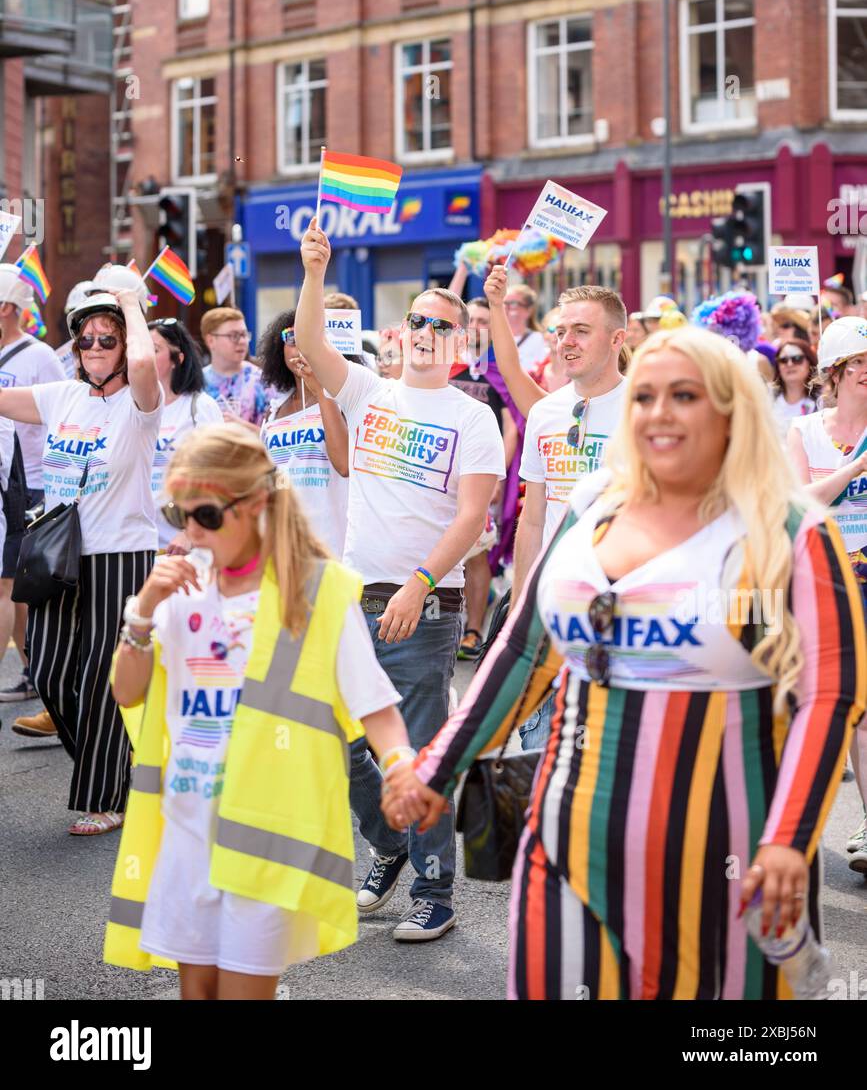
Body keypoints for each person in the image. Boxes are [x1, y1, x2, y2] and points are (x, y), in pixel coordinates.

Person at [383, 326, 866, 1000]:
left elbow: (827, 694)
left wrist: (788, 837)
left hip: (730, 860)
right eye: (642, 396)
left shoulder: (784, 531)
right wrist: (439, 765)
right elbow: (524, 653)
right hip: (568, 843)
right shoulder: (589, 510)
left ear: (730, 412)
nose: (658, 412)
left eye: (684, 395)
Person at [106, 424, 409, 999]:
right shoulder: (179, 593)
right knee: (196, 994)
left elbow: (375, 705)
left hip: (265, 841)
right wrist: (142, 612)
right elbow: (127, 693)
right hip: (186, 833)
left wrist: (400, 768)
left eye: (208, 516)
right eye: (179, 515)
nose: (191, 532)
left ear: (256, 504)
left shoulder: (314, 594)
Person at [295, 217, 505, 941]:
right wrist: (316, 272)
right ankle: (386, 849)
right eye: (414, 320)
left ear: (457, 343)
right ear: (398, 333)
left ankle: (433, 887)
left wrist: (419, 583)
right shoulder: (366, 390)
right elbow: (312, 344)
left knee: (414, 754)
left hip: (424, 608)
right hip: (352, 604)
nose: (422, 331)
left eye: (439, 325)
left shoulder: (473, 417)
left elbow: (472, 518)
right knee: (350, 748)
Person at [5, 289, 162, 834]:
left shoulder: (142, 402)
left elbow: (144, 361)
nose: (95, 346)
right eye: (86, 338)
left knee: (99, 675)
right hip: (56, 555)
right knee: (47, 669)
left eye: (107, 338)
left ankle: (106, 799)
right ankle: (115, 767)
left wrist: (129, 302)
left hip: (122, 552)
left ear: (123, 347)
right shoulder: (62, 396)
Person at [512, 284, 627, 750]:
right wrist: (521, 607)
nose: (566, 342)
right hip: (553, 609)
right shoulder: (544, 413)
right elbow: (533, 518)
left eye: (582, 330)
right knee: (543, 757)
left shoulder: (646, 411)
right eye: (560, 332)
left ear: (617, 339)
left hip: (621, 613)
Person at [787, 315, 867, 871]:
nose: (865, 373)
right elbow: (799, 504)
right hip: (826, 577)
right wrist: (857, 466)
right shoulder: (806, 432)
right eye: (857, 364)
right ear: (834, 373)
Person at [0, 264, 66, 709]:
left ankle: (44, 682)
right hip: (5, 483)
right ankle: (41, 683)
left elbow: (62, 417)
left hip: (30, 486)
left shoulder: (39, 355)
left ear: (6, 307)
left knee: (7, 586)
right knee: (15, 594)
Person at [449, 297, 520, 660]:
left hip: (479, 472)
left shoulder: (500, 370)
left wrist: (498, 474)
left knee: (476, 552)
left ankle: (474, 630)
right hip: (443, 469)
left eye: (483, 321)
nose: (476, 326)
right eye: (471, 320)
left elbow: (511, 428)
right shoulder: (447, 364)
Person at [257, 310, 350, 560]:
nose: (302, 348)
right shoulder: (274, 409)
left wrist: (320, 389)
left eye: (312, 338)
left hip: (330, 541)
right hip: (281, 540)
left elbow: (344, 464)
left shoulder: (342, 400)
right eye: (292, 339)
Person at [149, 318, 223, 552]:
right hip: (134, 544)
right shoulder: (127, 407)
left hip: (180, 548)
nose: (144, 357)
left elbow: (218, 474)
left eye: (154, 349)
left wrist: (189, 533)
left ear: (177, 359)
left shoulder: (200, 407)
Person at [201, 307, 268, 429]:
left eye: (244, 335)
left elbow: (275, 437)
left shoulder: (262, 380)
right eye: (233, 335)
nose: (242, 341)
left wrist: (241, 427)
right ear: (211, 340)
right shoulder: (196, 383)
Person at [769, 338, 817, 437]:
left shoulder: (823, 401)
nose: (789, 364)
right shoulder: (766, 398)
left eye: (797, 359)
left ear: (810, 362)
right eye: (783, 360)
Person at [503, 283, 547, 371]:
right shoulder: (491, 337)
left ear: (529, 310)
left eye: (513, 303)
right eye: (504, 303)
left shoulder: (539, 339)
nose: (506, 307)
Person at [529, 307, 570, 394]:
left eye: (562, 330)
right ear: (544, 335)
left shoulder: (582, 374)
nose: (556, 334)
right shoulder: (535, 375)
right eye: (552, 330)